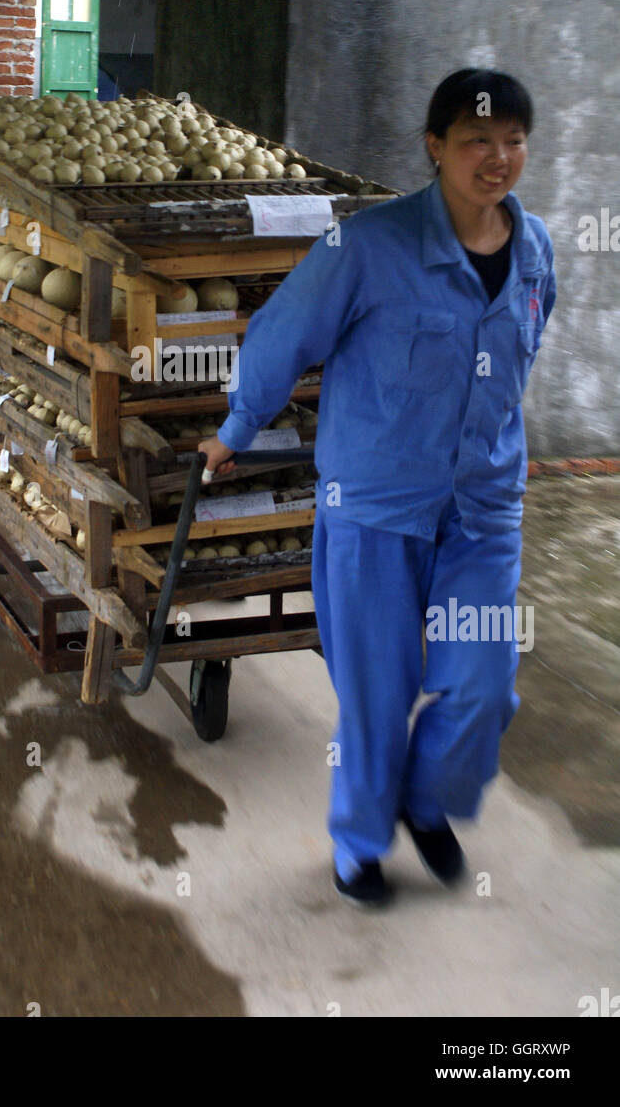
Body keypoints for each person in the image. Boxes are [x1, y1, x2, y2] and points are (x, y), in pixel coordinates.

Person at [199, 69, 556, 907]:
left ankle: (423, 799)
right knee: (377, 695)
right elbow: (285, 333)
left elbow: (523, 352)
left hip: (481, 511)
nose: (497, 158)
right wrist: (238, 426)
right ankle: (359, 842)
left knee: (481, 682)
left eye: (512, 141)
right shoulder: (367, 245)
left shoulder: (534, 246)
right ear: (435, 149)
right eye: (477, 142)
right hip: (373, 511)